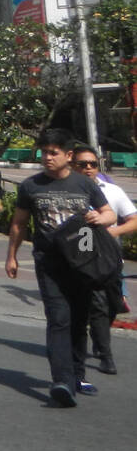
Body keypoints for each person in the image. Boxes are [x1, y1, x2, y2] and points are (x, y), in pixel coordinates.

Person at [6, 129, 115, 407]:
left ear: (68, 155)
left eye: (53, 152)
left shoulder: (84, 184)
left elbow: (110, 213)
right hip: (49, 263)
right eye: (44, 152)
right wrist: (12, 256)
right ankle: (62, 381)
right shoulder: (31, 186)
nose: (47, 157)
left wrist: (98, 217)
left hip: (82, 264)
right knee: (58, 319)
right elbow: (18, 223)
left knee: (79, 321)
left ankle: (78, 375)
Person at [70, 146, 136, 376]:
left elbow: (134, 220)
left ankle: (99, 340)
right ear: (72, 165)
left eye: (93, 164)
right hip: (78, 259)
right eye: (82, 164)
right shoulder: (65, 191)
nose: (88, 168)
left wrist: (112, 232)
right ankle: (106, 356)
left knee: (111, 306)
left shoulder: (113, 191)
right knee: (95, 305)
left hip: (109, 259)